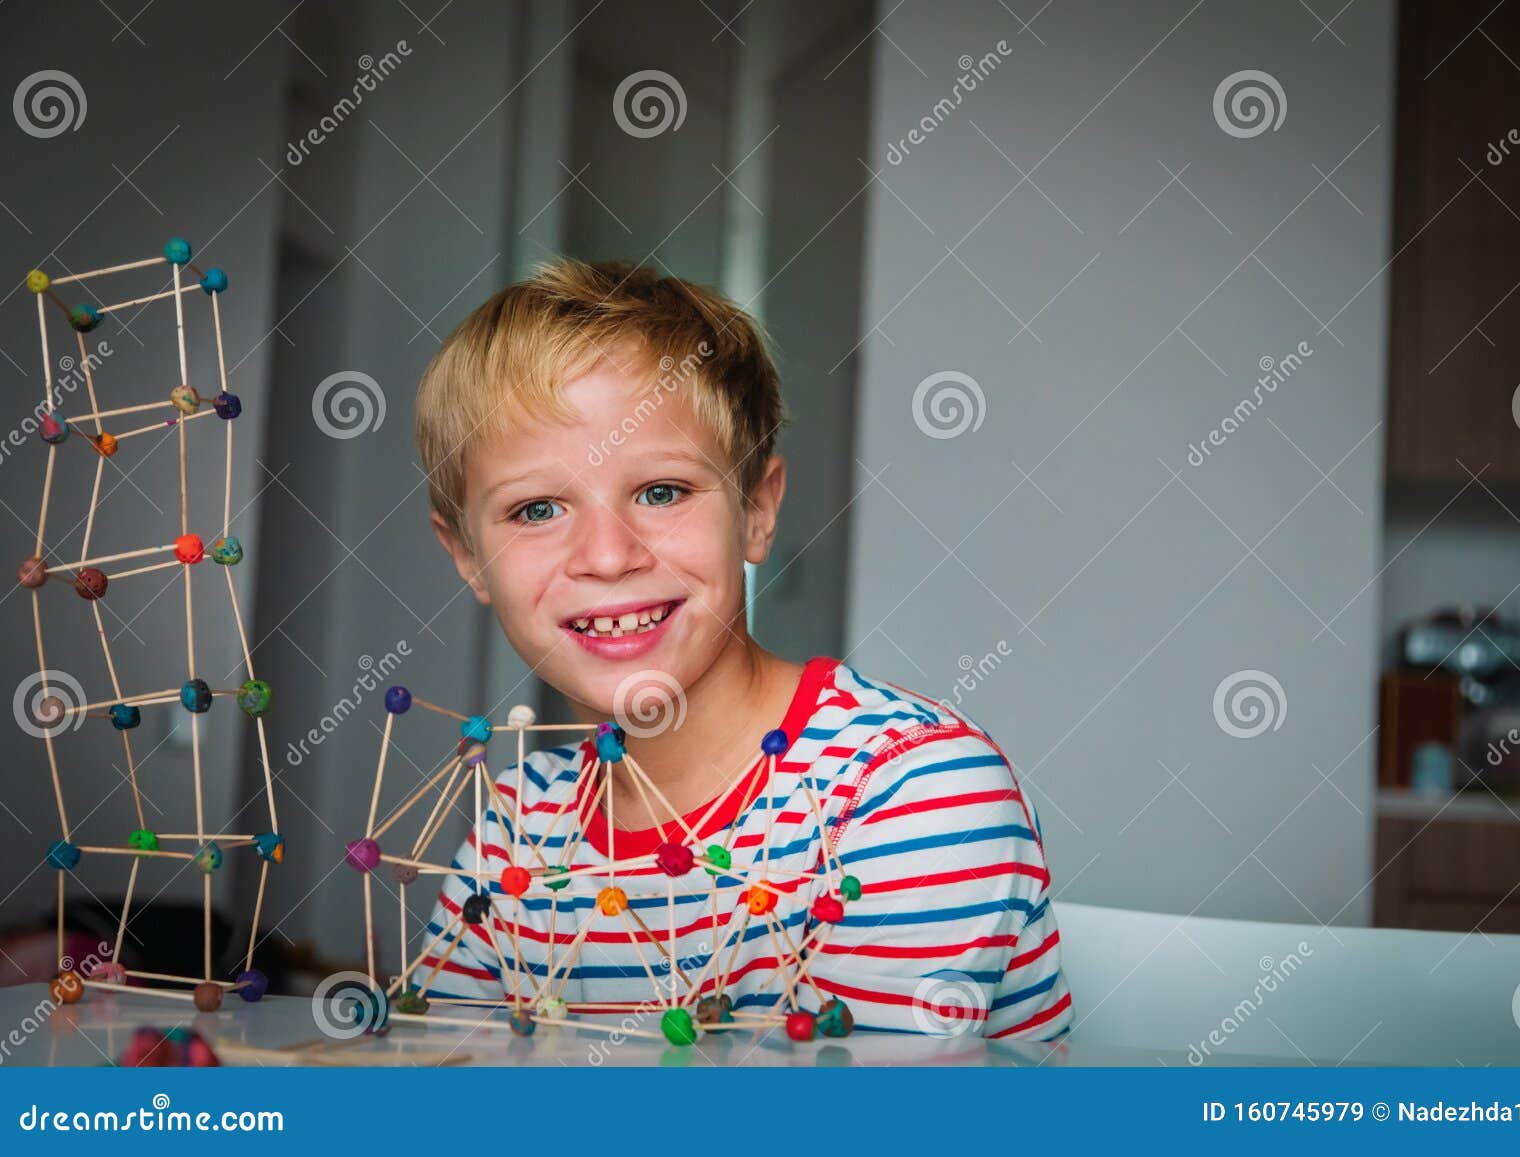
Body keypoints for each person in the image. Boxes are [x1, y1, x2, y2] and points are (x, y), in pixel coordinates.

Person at [408, 259, 1072, 1039]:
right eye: (537, 509)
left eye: (661, 491)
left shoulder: (912, 792)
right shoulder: (516, 826)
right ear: (467, 556)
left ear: (756, 511)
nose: (608, 555)